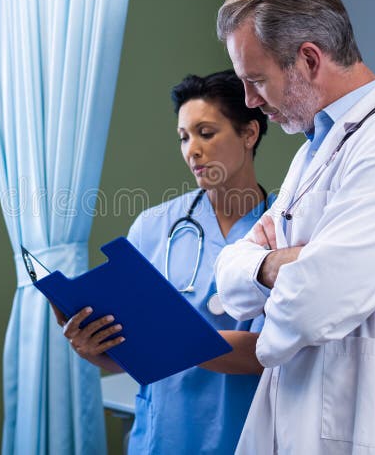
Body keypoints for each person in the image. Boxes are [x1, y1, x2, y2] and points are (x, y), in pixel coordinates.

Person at [213, 0, 375, 454]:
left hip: (368, 428)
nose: (249, 101)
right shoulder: (312, 151)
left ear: (309, 59)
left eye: (256, 80)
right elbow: (230, 284)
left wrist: (293, 292)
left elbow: (313, 304)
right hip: (293, 419)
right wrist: (271, 266)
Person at [55, 69, 275, 454]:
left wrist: (172, 337)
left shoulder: (282, 230)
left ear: (249, 133)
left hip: (242, 434)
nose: (192, 150)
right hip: (163, 436)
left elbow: (269, 350)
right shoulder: (153, 227)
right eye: (184, 137)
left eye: (206, 133)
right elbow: (131, 355)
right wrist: (93, 348)